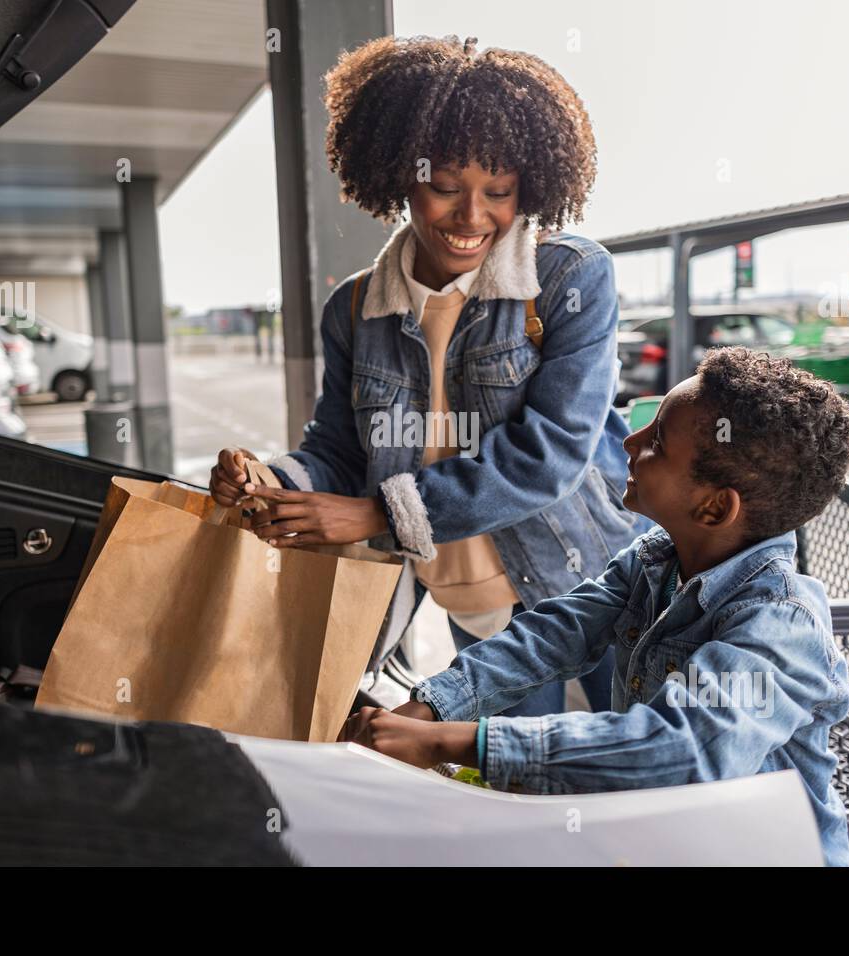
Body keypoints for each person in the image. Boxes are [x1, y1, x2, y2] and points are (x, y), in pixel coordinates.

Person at [210, 34, 647, 716]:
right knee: (507, 793)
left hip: (595, 584)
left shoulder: (569, 277)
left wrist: (377, 513)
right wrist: (272, 482)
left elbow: (551, 453)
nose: (472, 217)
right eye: (444, 189)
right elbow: (339, 449)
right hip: (467, 608)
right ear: (398, 178)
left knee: (642, 787)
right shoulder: (354, 309)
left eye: (498, 192)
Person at [339, 348, 849, 867]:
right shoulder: (653, 560)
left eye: (656, 442)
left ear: (714, 506)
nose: (627, 442)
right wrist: (434, 706)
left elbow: (681, 751)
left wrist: (448, 743)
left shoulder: (780, 624)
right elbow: (551, 636)